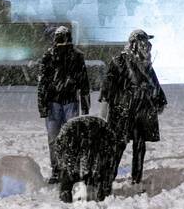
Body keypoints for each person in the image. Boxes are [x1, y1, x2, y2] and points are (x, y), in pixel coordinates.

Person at [100, 29, 167, 188]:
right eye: (143, 42)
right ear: (135, 43)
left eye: (147, 43)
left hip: (137, 109)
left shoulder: (144, 62)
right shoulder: (120, 60)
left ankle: (134, 178)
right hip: (125, 110)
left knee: (137, 144)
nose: (146, 46)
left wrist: (159, 99)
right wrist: (109, 99)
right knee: (120, 144)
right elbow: (109, 84)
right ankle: (110, 177)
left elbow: (153, 82)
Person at [36, 25, 91, 183]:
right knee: (63, 137)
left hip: (64, 102)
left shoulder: (70, 56)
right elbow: (43, 83)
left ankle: (66, 169)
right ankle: (61, 169)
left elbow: (83, 81)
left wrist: (42, 105)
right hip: (61, 102)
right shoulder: (52, 56)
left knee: (63, 137)